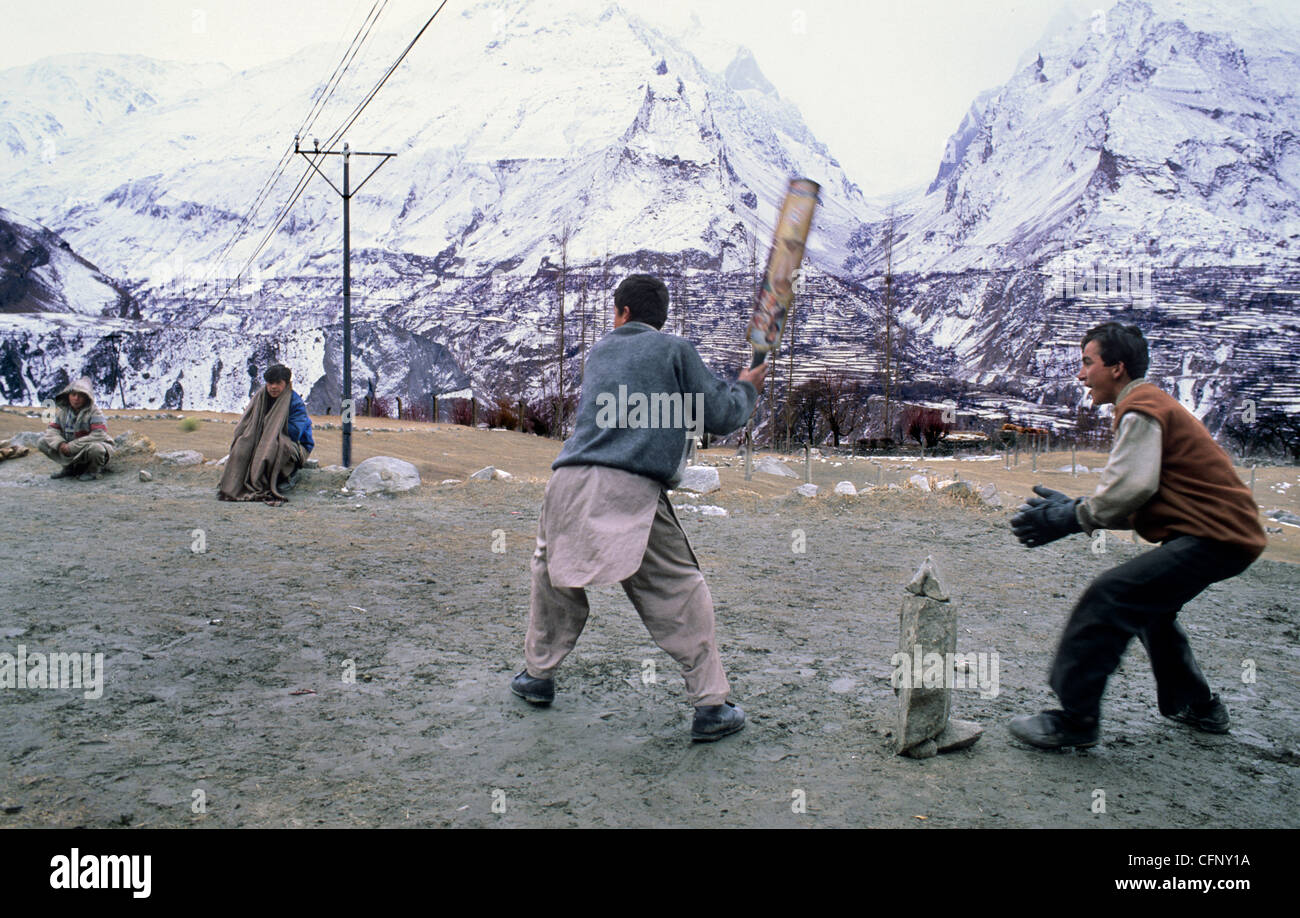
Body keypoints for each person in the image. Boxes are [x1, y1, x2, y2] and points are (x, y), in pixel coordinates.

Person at [511, 274, 768, 741]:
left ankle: (537, 676)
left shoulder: (600, 352)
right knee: (677, 589)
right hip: (628, 487)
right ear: (658, 317)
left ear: (622, 313)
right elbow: (720, 416)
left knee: (553, 576)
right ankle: (711, 704)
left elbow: (656, 406)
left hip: (566, 483)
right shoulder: (675, 350)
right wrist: (747, 388)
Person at [1008, 322, 1266, 749]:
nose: (1080, 374)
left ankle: (1075, 720)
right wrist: (1074, 507)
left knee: (1110, 595)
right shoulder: (1149, 405)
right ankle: (1198, 705)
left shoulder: (1141, 406)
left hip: (1214, 536)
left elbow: (1132, 489)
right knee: (1150, 607)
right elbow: (1142, 497)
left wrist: (1073, 517)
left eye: (1087, 363)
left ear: (1117, 368)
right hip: (1222, 534)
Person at [218, 365, 314, 505]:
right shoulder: (260, 398)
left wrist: (270, 428)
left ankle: (284, 478)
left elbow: (294, 433)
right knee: (242, 445)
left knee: (272, 448)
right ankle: (235, 484)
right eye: (270, 383)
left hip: (295, 444)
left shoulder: (295, 403)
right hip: (262, 438)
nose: (273, 387)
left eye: (278, 383)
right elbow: (247, 422)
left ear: (286, 384)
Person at [37, 377, 115, 481]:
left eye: (80, 396)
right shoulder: (63, 412)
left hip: (86, 449)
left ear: (87, 397)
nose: (76, 398)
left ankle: (93, 471)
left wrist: (72, 447)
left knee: (97, 449)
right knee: (42, 442)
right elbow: (52, 430)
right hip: (68, 448)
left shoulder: (95, 412)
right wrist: (60, 444)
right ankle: (69, 468)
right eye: (73, 395)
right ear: (68, 396)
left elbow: (99, 434)